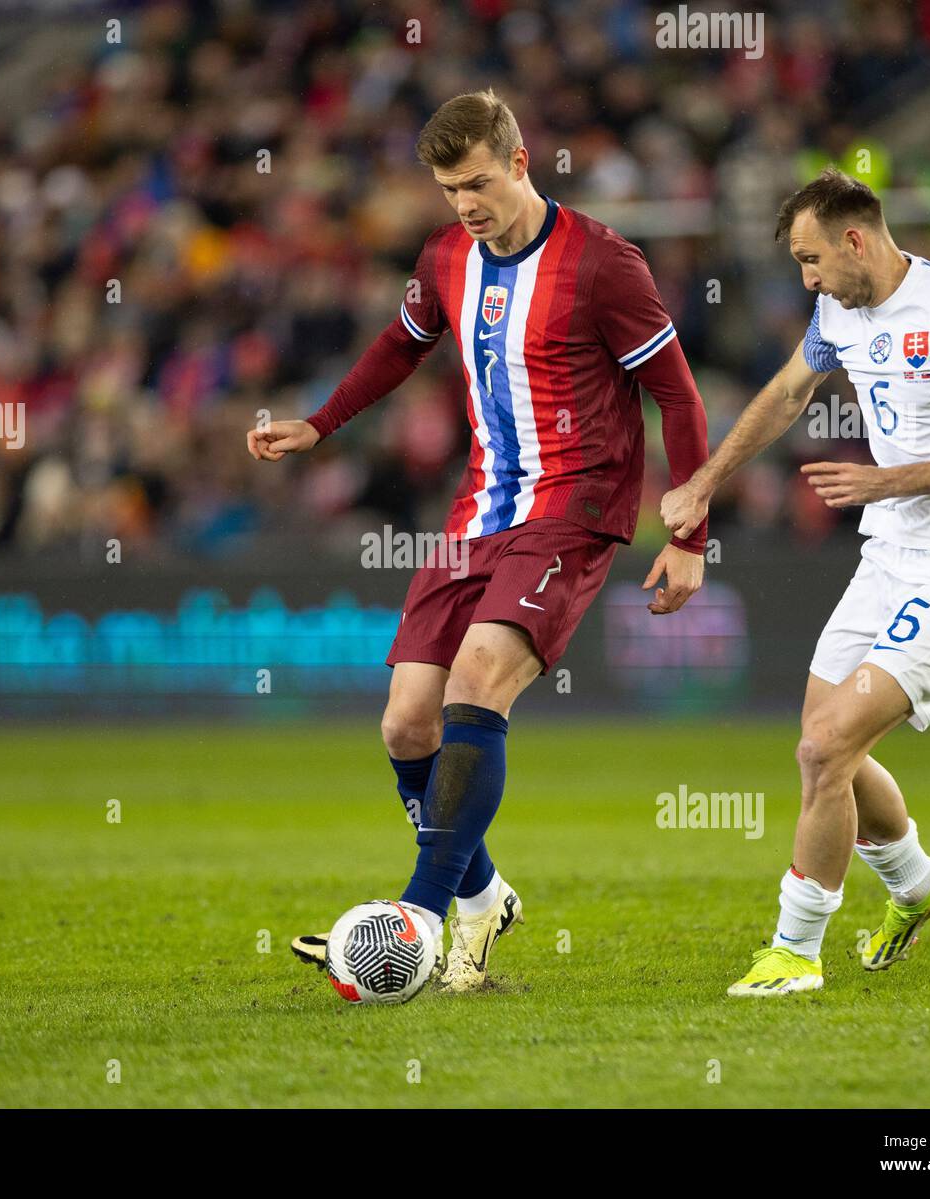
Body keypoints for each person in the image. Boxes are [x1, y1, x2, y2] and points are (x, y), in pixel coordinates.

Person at [247, 89, 709, 992]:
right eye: (450, 187)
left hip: (576, 507)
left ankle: (417, 916)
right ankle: (484, 892)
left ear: (521, 160)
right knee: (406, 721)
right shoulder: (448, 256)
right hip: (481, 511)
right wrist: (320, 423)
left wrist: (691, 532)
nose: (465, 203)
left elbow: (680, 398)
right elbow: (402, 340)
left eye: (478, 182)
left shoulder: (604, 265)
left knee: (477, 683)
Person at [660, 167, 930, 996]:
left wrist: (888, 481)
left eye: (811, 259)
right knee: (826, 742)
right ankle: (917, 884)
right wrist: (705, 481)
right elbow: (788, 394)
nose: (807, 280)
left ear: (855, 239)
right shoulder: (841, 309)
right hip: (889, 552)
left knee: (825, 745)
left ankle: (795, 951)